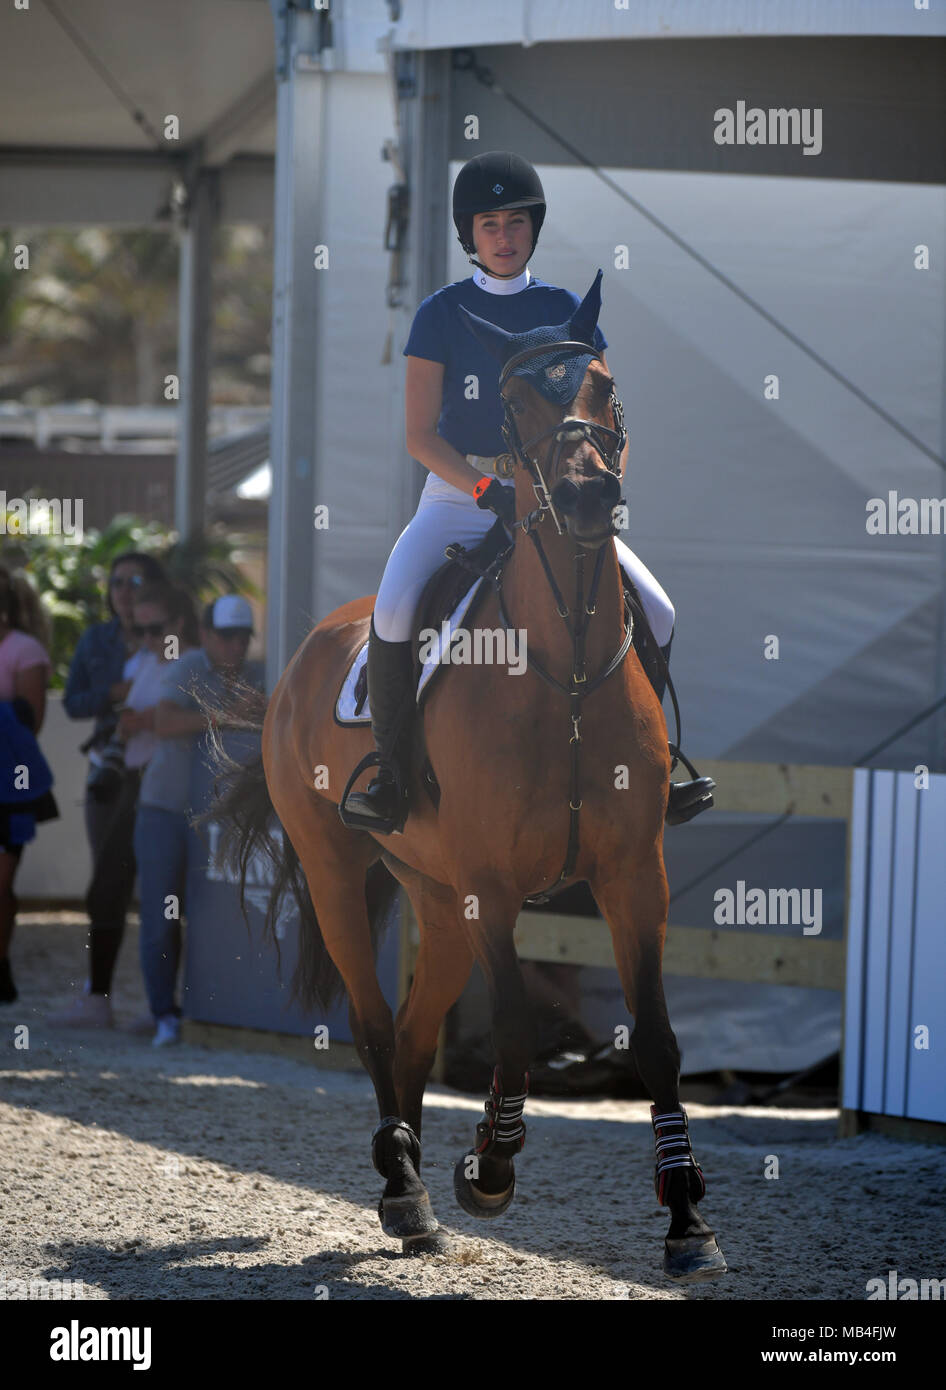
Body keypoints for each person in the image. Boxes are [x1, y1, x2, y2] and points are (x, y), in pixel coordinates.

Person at [342, 150, 713, 832]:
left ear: (532, 228)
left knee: (658, 611)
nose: (504, 235)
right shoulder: (440, 313)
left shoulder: (567, 310)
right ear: (469, 234)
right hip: (460, 495)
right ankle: (391, 777)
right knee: (394, 611)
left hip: (560, 498)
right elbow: (421, 436)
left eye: (516, 221)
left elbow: (608, 415)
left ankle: (650, 769)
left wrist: (600, 481)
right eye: (489, 223)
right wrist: (485, 485)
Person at [49, 579, 195, 1028]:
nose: (148, 639)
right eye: (141, 629)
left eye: (156, 629)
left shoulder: (191, 663)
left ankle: (157, 1005)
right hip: (135, 785)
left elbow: (197, 716)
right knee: (118, 892)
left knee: (157, 899)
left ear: (179, 624)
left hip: (161, 791)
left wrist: (142, 721)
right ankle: (119, 999)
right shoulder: (149, 661)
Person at [135, 595, 264, 1046]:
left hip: (218, 821)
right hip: (165, 811)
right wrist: (226, 717)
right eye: (226, 636)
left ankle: (206, 1012)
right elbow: (162, 721)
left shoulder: (259, 675)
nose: (235, 645)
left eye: (242, 636)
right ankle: (163, 1014)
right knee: (160, 917)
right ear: (206, 635)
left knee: (216, 917)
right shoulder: (187, 664)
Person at [0, 567, 58, 1004]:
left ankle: (1, 963)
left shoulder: (25, 650)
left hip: (10, 789)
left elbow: (30, 721)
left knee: (1, 884)